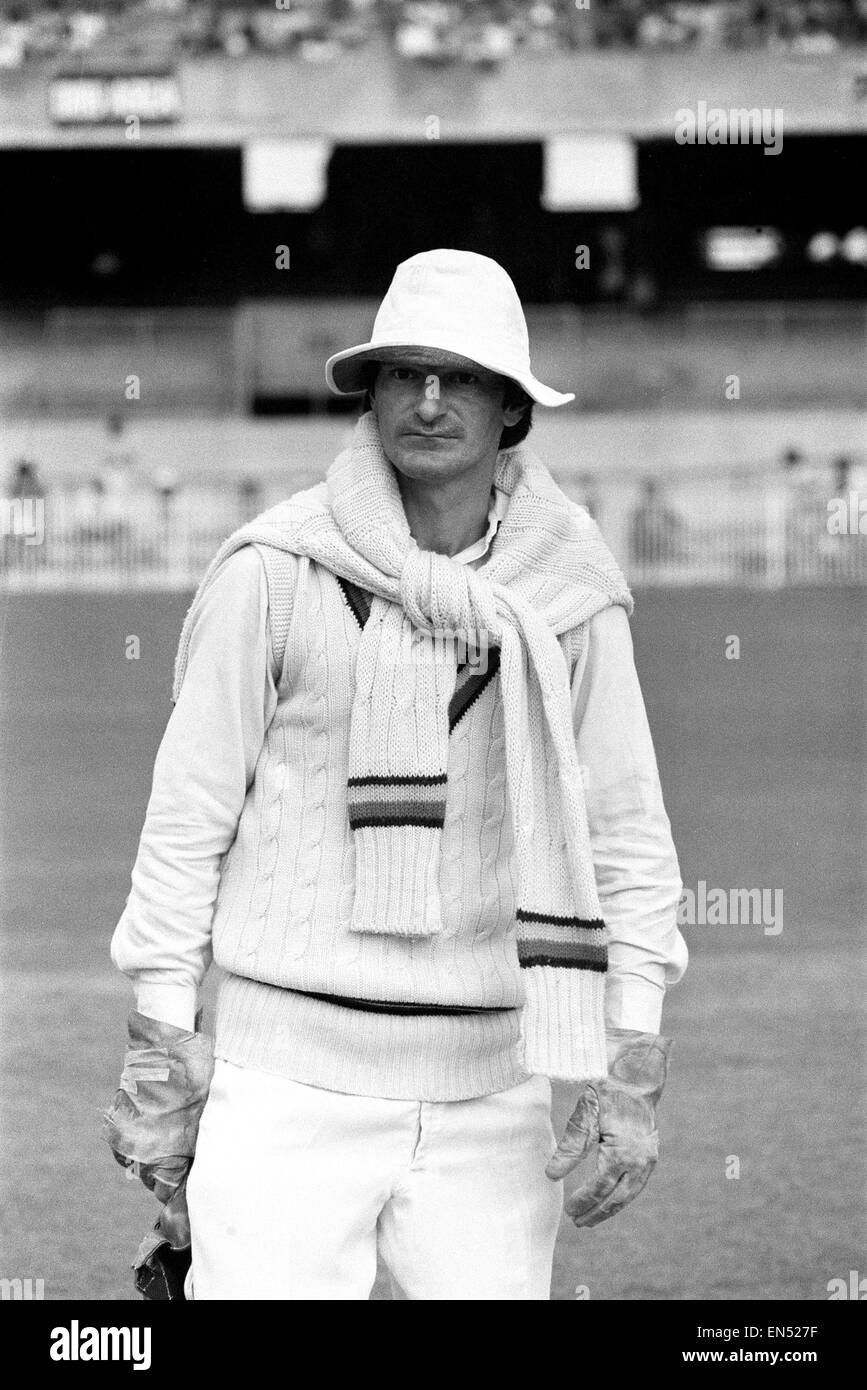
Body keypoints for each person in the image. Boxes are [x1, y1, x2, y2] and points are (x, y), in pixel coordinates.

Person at [104, 249, 687, 1301]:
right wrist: (162, 1043)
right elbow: (188, 819)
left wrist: (629, 1055)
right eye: (403, 374)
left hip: (491, 1089)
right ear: (367, 396)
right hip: (282, 1077)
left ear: (512, 409)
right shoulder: (274, 570)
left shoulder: (573, 599)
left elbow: (627, 833)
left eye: (460, 376)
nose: (428, 400)